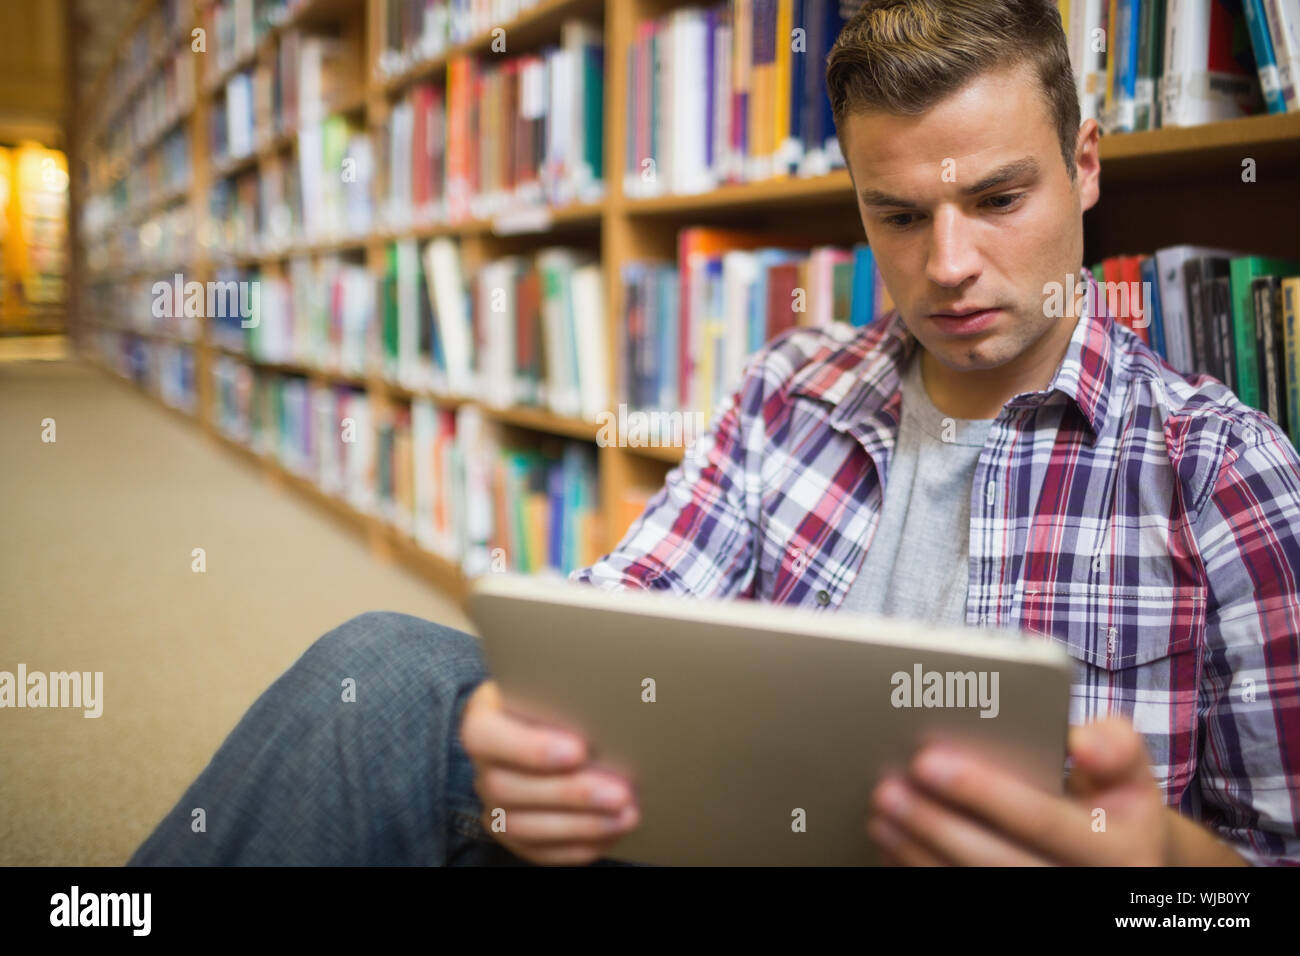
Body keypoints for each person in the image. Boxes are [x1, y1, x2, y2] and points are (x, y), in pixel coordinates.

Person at [128, 0, 1300, 866]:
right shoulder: (785, 389)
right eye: (897, 215)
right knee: (385, 671)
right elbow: (624, 609)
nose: (947, 265)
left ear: (1084, 166)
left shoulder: (1223, 472)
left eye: (998, 199)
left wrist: (1157, 864)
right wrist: (528, 725)